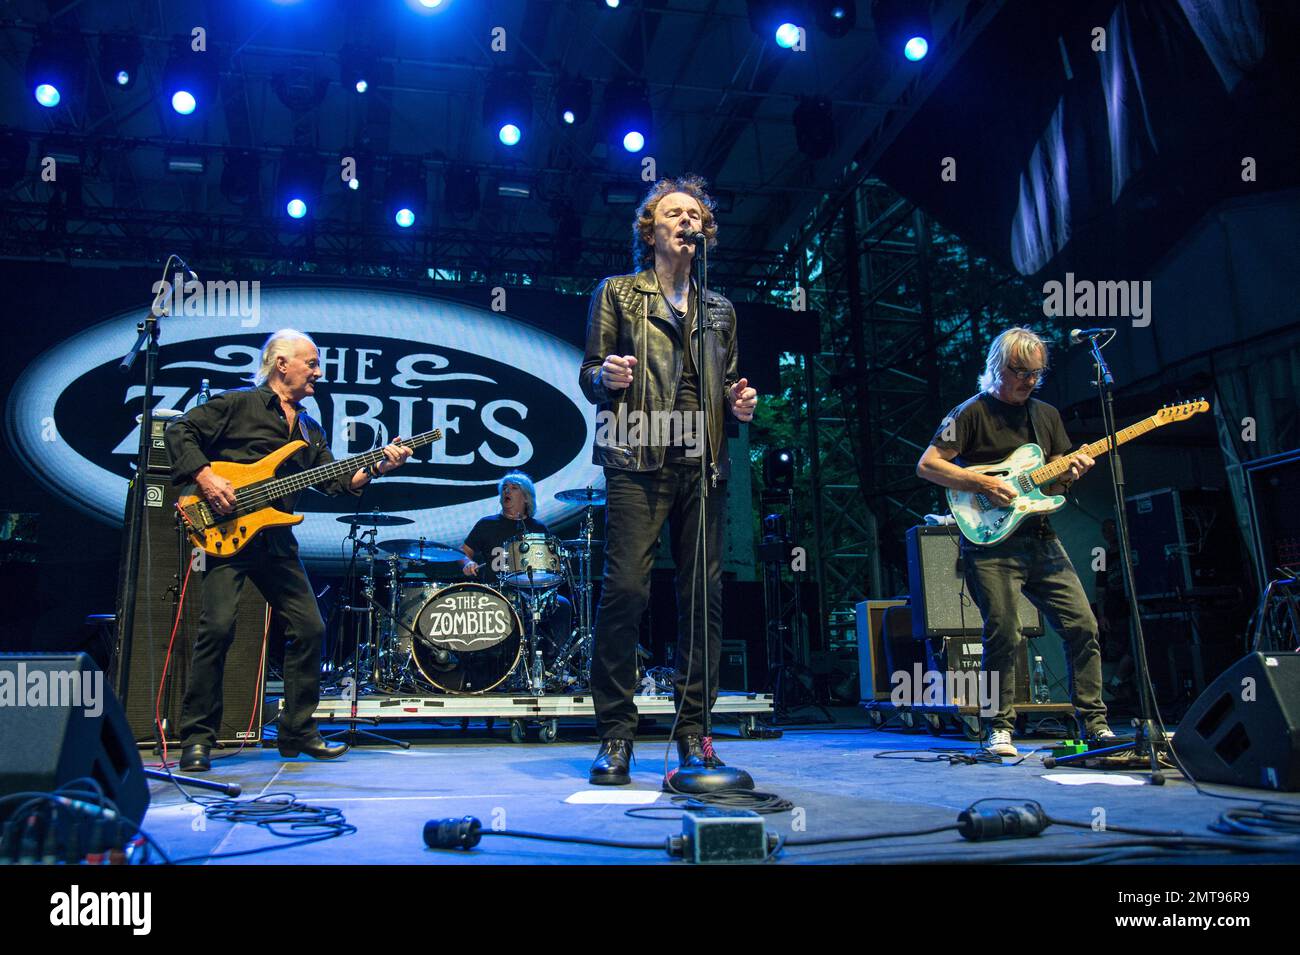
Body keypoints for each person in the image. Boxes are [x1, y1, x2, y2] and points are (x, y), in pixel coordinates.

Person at [579, 175, 758, 785]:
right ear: (650, 230)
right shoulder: (619, 294)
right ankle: (615, 734)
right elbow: (588, 373)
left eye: (696, 215)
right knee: (626, 590)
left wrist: (739, 403)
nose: (688, 222)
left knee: (701, 600)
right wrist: (607, 376)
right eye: (674, 213)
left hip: (702, 463)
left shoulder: (719, 309)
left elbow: (729, 381)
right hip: (636, 455)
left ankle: (694, 732)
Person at [165, 329, 412, 772]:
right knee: (217, 630)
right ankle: (196, 738)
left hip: (276, 540)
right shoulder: (237, 404)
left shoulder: (309, 428)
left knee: (311, 628)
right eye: (311, 363)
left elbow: (336, 483)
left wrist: (377, 467)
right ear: (282, 364)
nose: (318, 372)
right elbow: (179, 430)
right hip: (227, 537)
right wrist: (205, 477)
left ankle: (297, 729)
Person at [916, 326, 1115, 756]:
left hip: (1040, 538)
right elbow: (928, 465)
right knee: (1004, 633)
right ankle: (998, 728)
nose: (1028, 380)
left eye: (1035, 373)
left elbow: (1056, 481)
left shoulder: (1046, 416)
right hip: (989, 543)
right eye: (1019, 371)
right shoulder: (969, 413)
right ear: (997, 367)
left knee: (1083, 626)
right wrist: (982, 482)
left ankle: (1095, 725)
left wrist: (1071, 469)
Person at [459, 472, 572, 662]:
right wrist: (468, 563)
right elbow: (464, 552)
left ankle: (556, 666)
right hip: (495, 592)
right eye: (504, 488)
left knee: (562, 604)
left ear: (526, 497)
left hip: (532, 593)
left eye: (513, 488)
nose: (506, 491)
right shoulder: (487, 524)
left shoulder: (538, 528)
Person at [1095, 518, 1136, 702]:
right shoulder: (1101, 555)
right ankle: (1117, 684)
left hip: (1132, 607)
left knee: (1136, 647)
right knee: (1122, 649)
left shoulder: (1130, 551)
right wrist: (1102, 615)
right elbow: (1099, 587)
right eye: (1106, 529)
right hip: (1114, 610)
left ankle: (1118, 682)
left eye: (1113, 528)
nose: (1110, 532)